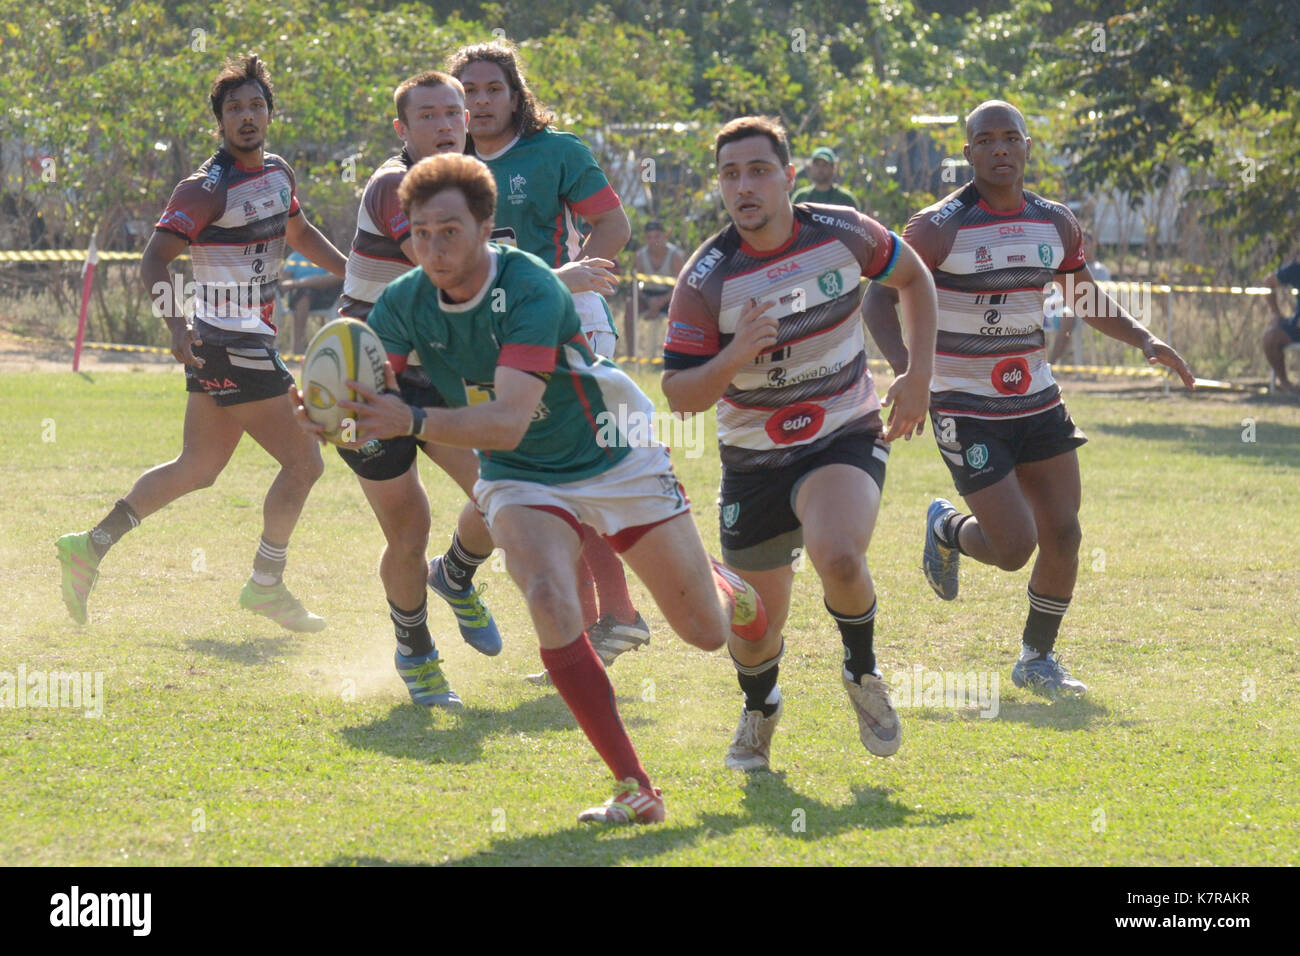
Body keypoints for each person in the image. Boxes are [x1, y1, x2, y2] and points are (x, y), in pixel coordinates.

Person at [303, 152, 768, 824]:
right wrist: (329, 417)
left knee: (703, 634)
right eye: (421, 233)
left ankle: (723, 584)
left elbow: (508, 415)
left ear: (486, 225)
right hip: (520, 473)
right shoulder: (404, 302)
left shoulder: (530, 289)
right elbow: (366, 391)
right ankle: (634, 785)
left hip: (612, 453)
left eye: (450, 231)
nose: (433, 248)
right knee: (549, 598)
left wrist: (410, 417)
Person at [863, 99, 1195, 698]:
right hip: (963, 403)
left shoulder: (1055, 222)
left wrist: (1145, 338)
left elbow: (1083, 294)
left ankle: (1037, 658)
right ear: (967, 154)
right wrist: (913, 373)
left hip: (1036, 398)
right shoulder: (938, 227)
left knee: (1064, 532)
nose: (999, 149)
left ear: (1026, 147)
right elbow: (877, 301)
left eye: (1010, 138)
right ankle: (947, 529)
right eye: (985, 140)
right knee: (1014, 547)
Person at [661, 116, 938, 771]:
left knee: (838, 555)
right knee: (754, 627)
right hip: (753, 461)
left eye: (758, 171)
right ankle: (760, 710)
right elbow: (680, 396)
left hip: (843, 431)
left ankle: (862, 672)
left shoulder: (842, 231)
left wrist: (920, 373)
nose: (744, 186)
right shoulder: (706, 280)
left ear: (789, 176)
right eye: (730, 175)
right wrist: (736, 355)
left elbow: (915, 278)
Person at [56, 55, 347, 631]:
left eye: (256, 105)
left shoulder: (279, 172)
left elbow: (299, 231)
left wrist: (353, 277)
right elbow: (155, 258)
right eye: (234, 107)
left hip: (236, 342)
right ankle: (266, 583)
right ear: (219, 120)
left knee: (198, 467)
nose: (247, 115)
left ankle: (89, 546)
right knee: (305, 461)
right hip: (228, 340)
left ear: (269, 113)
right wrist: (172, 324)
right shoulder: (205, 189)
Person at [447, 41, 649, 674]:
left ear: (515, 95)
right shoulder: (441, 164)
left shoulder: (557, 152)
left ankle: (613, 616)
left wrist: (573, 276)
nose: (479, 102)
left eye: (491, 89)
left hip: (567, 321)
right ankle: (600, 625)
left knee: (566, 473)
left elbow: (612, 225)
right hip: (491, 334)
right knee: (540, 479)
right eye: (467, 92)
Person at [334, 70, 504, 708]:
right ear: (402, 129)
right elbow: (449, 273)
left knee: (503, 490)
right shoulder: (390, 185)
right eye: (427, 115)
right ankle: (416, 653)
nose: (445, 124)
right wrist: (551, 282)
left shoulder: (472, 192)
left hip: (440, 376)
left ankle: (455, 575)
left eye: (453, 113)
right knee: (409, 527)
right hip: (363, 380)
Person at [280, 249, 341, 353]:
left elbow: (333, 278)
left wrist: (296, 283)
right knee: (306, 293)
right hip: (300, 296)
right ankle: (297, 345)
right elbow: (284, 283)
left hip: (323, 295)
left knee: (340, 275)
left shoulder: (324, 256)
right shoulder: (294, 257)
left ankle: (300, 283)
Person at [625, 220, 686, 324]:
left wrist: (661, 301)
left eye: (657, 236)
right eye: (649, 237)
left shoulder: (675, 256)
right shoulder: (640, 256)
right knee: (630, 304)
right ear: (645, 238)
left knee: (685, 305)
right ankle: (632, 340)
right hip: (647, 296)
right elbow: (635, 285)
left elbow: (681, 286)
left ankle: (677, 339)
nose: (653, 241)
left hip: (670, 297)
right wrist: (649, 301)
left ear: (665, 236)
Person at [1262, 258, 1300, 393]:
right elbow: (1269, 282)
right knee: (1271, 337)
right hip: (1297, 328)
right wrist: (1276, 313)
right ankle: (1286, 386)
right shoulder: (1296, 269)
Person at [791, 146, 859, 210]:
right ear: (811, 167)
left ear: (833, 168)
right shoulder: (800, 197)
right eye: (817, 165)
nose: (820, 169)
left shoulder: (846, 199)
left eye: (825, 165)